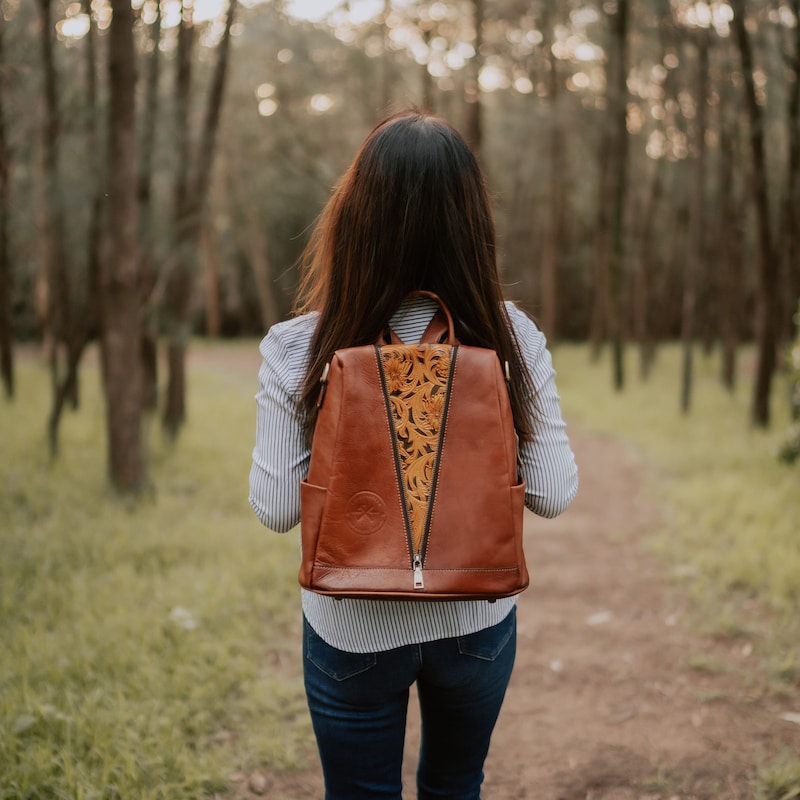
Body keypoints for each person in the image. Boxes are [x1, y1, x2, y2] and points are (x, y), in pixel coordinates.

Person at [249, 110, 578, 800]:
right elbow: (553, 493)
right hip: (475, 617)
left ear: (355, 219)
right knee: (456, 786)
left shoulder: (300, 344)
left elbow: (276, 510)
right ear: (472, 224)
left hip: (352, 626)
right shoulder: (509, 337)